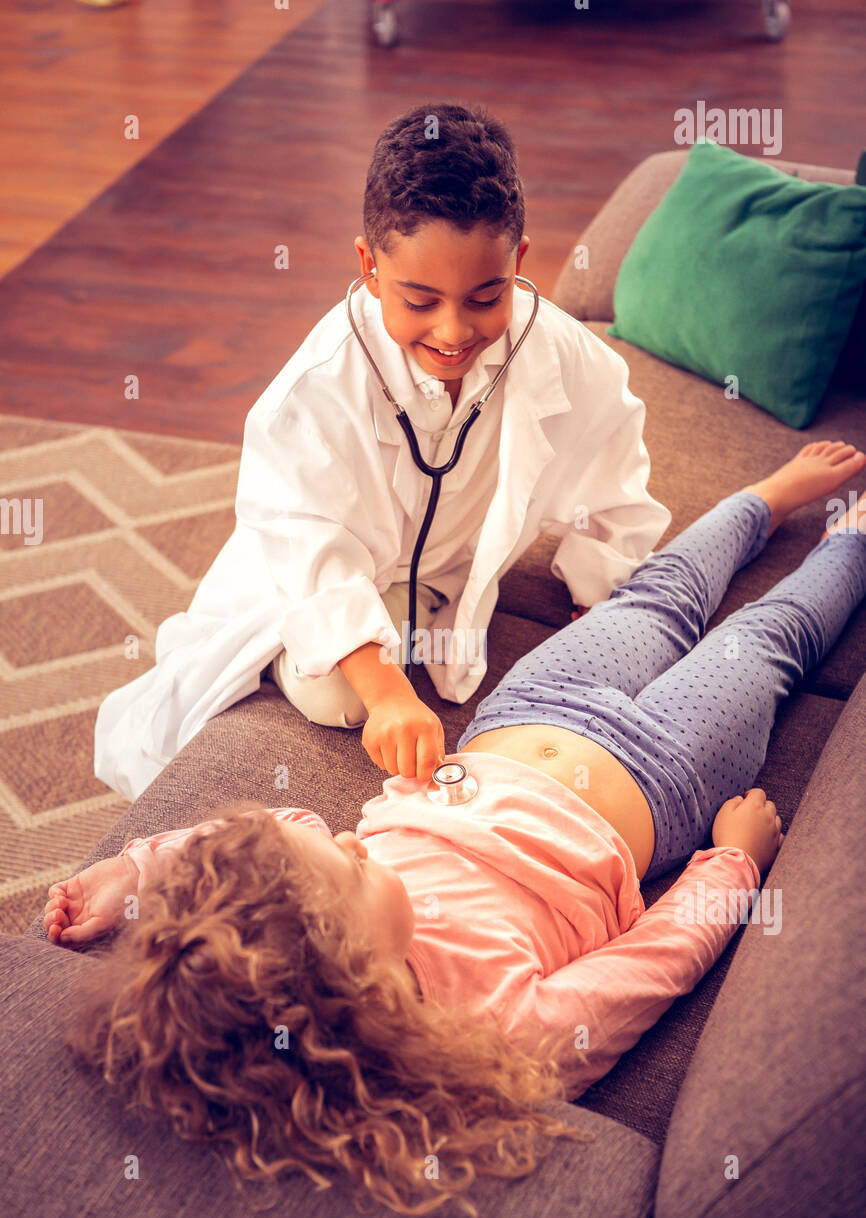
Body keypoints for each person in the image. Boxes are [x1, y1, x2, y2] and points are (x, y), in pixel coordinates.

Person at [46, 442, 866, 1218]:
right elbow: (648, 968)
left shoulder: (322, 906)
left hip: (530, 707)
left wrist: (138, 871)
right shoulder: (495, 1029)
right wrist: (730, 865)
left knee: (658, 592)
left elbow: (268, 841)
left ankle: (766, 499)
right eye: (349, 866)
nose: (351, 838)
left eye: (336, 843)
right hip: (665, 775)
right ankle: (851, 545)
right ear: (355, 984)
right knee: (763, 641)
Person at [92, 102, 671, 803]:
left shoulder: (560, 356)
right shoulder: (315, 391)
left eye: (485, 297)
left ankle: (398, 611)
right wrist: (387, 688)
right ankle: (319, 645)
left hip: (436, 579)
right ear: (369, 268)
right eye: (420, 301)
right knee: (342, 696)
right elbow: (306, 540)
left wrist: (599, 582)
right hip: (313, 575)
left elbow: (611, 461)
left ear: (519, 265)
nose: (454, 331)